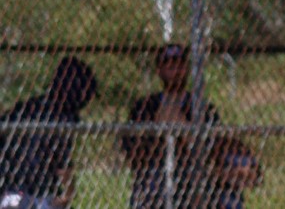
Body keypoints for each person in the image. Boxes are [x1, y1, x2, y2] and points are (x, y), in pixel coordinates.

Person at [121, 44, 220, 209]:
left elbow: (210, 153)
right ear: (159, 70)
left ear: (187, 69)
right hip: (152, 181)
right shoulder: (144, 107)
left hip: (188, 181)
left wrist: (180, 124)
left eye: (180, 65)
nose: (176, 70)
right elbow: (134, 153)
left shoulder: (203, 109)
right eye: (170, 65)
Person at [0, 56, 98, 209]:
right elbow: (63, 168)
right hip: (35, 197)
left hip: (7, 194)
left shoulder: (27, 107)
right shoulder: (64, 117)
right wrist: (68, 196)